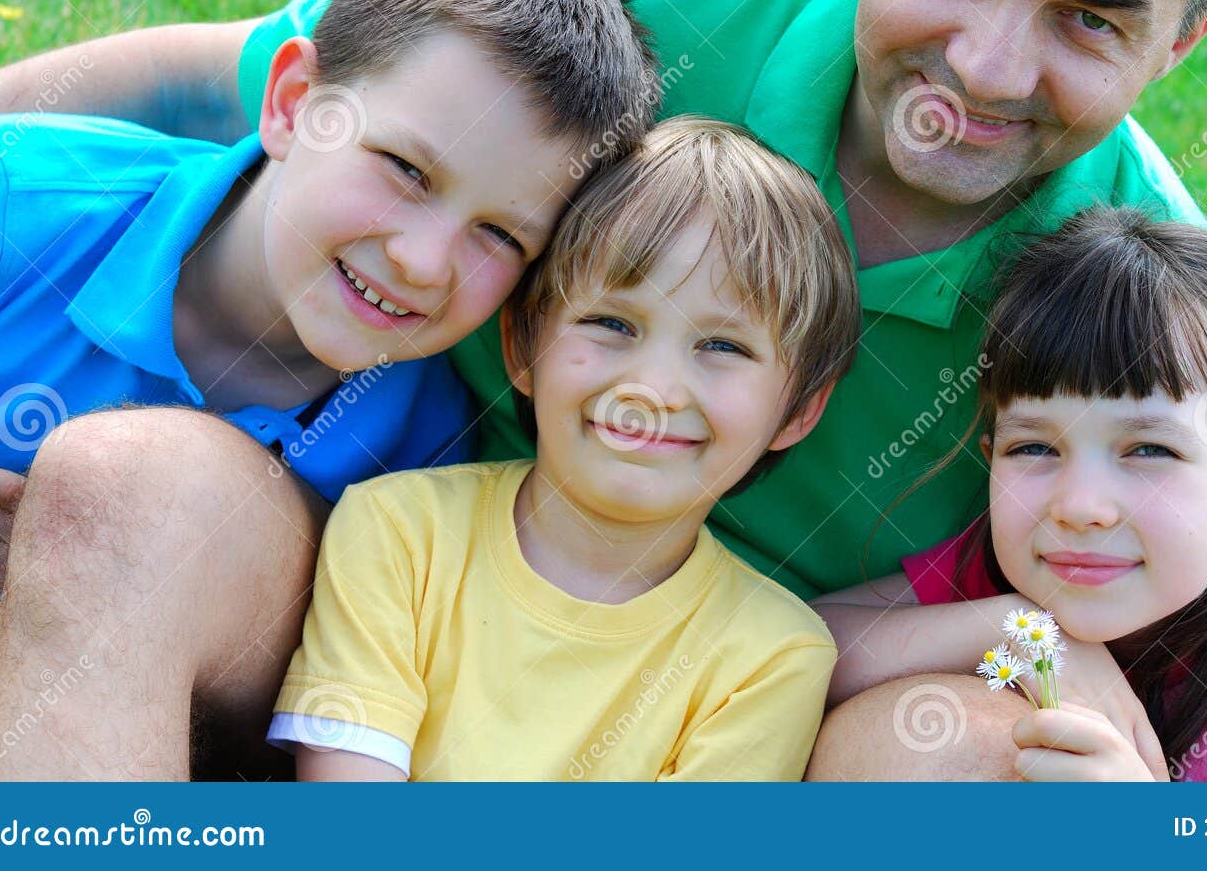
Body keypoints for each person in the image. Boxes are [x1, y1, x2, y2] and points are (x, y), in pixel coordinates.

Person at [0, 0, 1207, 778]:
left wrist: (1035, 650)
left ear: (1185, 40)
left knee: (1008, 756)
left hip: (746, 721)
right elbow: (241, 84)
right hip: (359, 598)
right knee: (131, 496)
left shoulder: (1146, 286)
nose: (990, 64)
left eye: (1092, 24)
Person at [0, 0, 658, 778]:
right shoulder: (15, 205)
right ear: (294, 103)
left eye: (500, 234)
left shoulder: (440, 453)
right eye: (406, 168)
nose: (423, 259)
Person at [267, 118, 858, 780]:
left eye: (723, 346)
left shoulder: (773, 656)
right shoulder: (398, 534)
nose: (653, 390)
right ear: (523, 347)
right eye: (611, 323)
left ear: (800, 408)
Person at [809, 208, 1207, 781]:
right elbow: (802, 647)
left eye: (1150, 451)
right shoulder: (1008, 581)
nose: (1079, 507)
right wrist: (1012, 630)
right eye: (1035, 448)